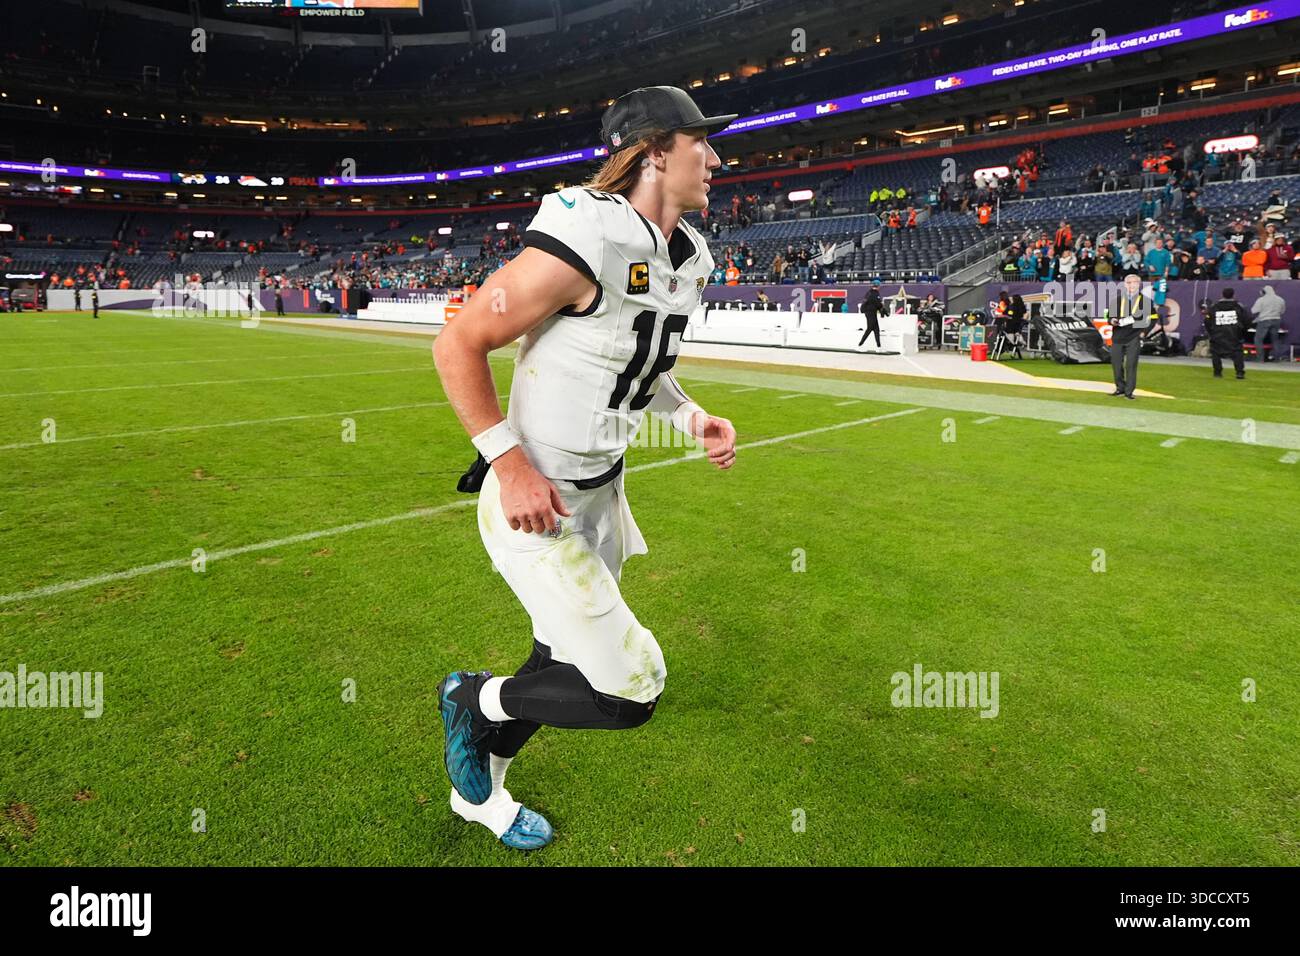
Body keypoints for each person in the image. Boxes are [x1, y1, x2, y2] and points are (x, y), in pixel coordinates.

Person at [430, 85, 738, 852]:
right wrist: (510, 465)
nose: (717, 158)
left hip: (600, 495)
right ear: (656, 150)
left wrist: (690, 416)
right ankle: (471, 700)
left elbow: (636, 363)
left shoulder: (686, 256)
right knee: (629, 692)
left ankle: (482, 794)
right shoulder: (586, 234)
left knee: (555, 658)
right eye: (702, 141)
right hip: (533, 499)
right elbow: (458, 343)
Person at [1106, 273, 1157, 399]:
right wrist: (1112, 321)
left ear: (1138, 284)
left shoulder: (1145, 301)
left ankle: (1129, 392)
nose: (1131, 285)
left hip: (1133, 337)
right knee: (1116, 365)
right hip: (1117, 336)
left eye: (1134, 282)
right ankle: (1119, 388)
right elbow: (1109, 317)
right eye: (1129, 283)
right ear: (1124, 284)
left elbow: (1153, 318)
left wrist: (1144, 332)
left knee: (1131, 365)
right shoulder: (1117, 300)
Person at [1204, 288, 1250, 379]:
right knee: (1237, 353)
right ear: (1233, 295)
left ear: (1222, 294)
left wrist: (1212, 332)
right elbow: (1246, 321)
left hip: (1217, 334)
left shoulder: (1214, 307)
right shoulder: (1239, 307)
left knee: (1216, 353)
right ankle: (1239, 372)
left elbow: (1207, 321)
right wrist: (1241, 332)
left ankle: (1217, 373)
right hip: (1234, 334)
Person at [1250, 285, 1286, 363]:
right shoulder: (1280, 299)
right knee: (1275, 340)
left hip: (1264, 320)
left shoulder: (1261, 299)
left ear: (1264, 292)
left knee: (1258, 340)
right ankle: (1277, 359)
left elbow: (1254, 311)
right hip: (1276, 320)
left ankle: (1260, 359)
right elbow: (1282, 311)